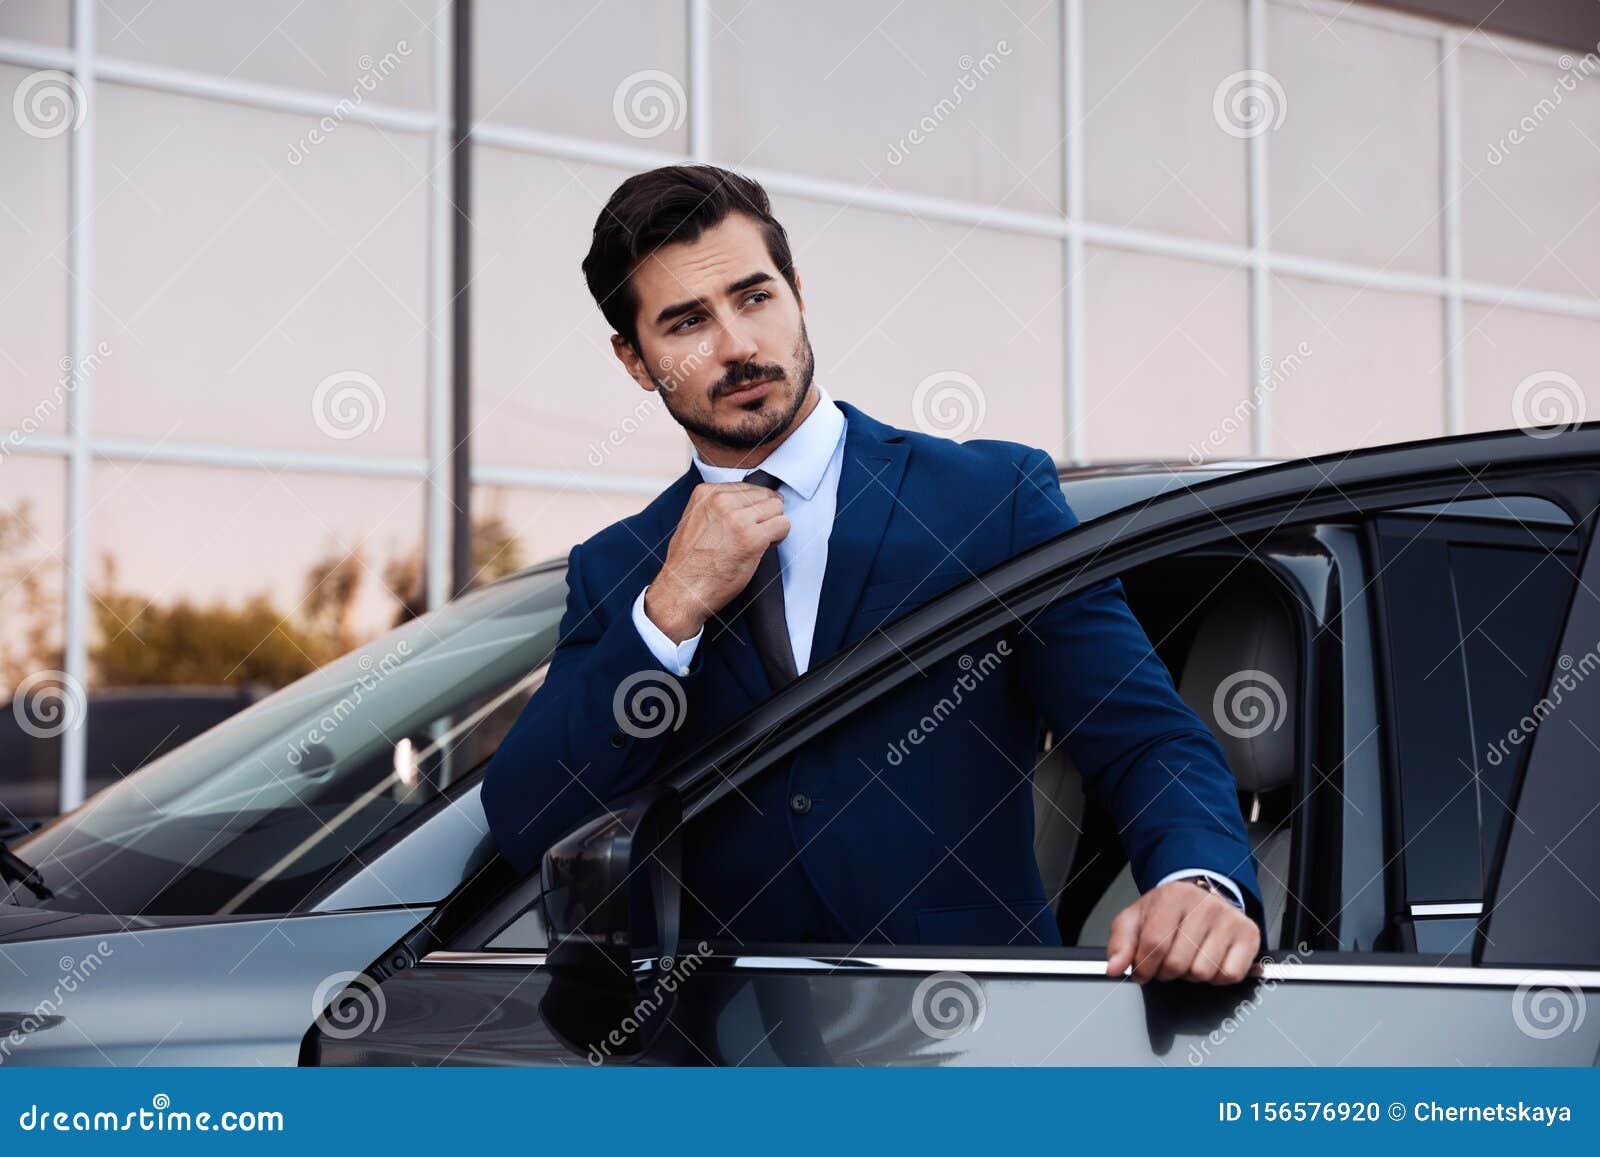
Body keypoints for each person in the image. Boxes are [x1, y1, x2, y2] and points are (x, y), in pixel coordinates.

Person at [481, 163, 1264, 984]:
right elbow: (533, 820)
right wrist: (669, 610)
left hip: (979, 1035)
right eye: (686, 324)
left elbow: (1142, 737)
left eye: (755, 297)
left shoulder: (989, 499)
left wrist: (1198, 879)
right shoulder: (621, 569)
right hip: (731, 1054)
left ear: (799, 294)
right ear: (637, 361)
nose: (739, 345)